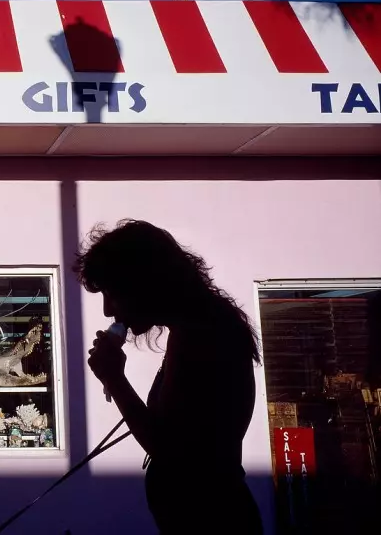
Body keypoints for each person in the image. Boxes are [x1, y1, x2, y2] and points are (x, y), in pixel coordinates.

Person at [74, 219, 263, 534]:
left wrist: (115, 380)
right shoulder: (201, 326)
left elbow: (171, 449)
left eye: (112, 293)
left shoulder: (201, 335)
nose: (108, 311)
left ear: (142, 283)